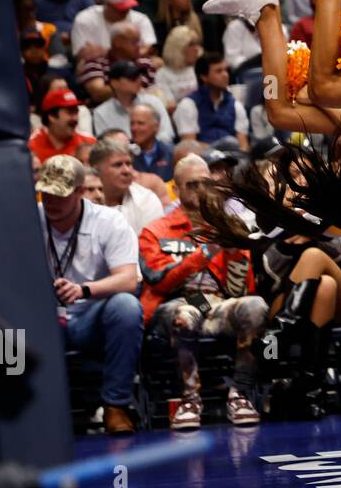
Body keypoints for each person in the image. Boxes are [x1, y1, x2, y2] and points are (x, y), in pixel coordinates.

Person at [139, 154, 266, 428]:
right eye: (192, 184)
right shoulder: (156, 231)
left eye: (205, 184)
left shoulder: (228, 226)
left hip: (218, 306)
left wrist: (234, 255)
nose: (200, 191)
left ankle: (240, 394)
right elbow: (158, 280)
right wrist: (203, 254)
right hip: (173, 304)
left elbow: (241, 291)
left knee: (256, 306)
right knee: (186, 312)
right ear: (177, 188)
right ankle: (190, 399)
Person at [36, 154, 143, 434]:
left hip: (91, 316)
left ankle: (115, 406)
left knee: (127, 307)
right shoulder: (27, 218)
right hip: (43, 318)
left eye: (59, 195)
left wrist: (84, 289)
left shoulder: (109, 221)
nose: (51, 202)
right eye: (46, 194)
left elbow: (128, 279)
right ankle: (38, 412)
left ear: (80, 192)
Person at [173, 51, 249, 149]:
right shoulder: (188, 105)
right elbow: (189, 146)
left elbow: (243, 145)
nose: (225, 75)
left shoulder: (235, 105)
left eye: (226, 70)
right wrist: (220, 150)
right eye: (219, 71)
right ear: (204, 77)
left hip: (233, 159)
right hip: (202, 160)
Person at [89, 139, 164, 236]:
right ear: (96, 170)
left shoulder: (146, 199)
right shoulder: (81, 202)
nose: (127, 170)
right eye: (118, 165)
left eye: (129, 164)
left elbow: (152, 244)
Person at [90, 60, 175, 144]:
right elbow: (107, 146)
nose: (138, 80)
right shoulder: (101, 112)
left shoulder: (154, 102)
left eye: (139, 76)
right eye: (132, 77)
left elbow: (167, 135)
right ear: (115, 83)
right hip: (123, 156)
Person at [70, 0, 158, 59]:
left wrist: (103, 52)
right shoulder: (85, 18)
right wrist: (127, 52)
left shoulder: (141, 19)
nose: (126, 11)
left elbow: (148, 49)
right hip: (97, 70)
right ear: (106, 4)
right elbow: (83, 55)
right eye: (120, 8)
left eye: (128, 7)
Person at [29, 88, 96, 163]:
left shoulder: (89, 142)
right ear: (52, 116)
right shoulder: (30, 147)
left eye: (76, 112)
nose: (75, 118)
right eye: (70, 112)